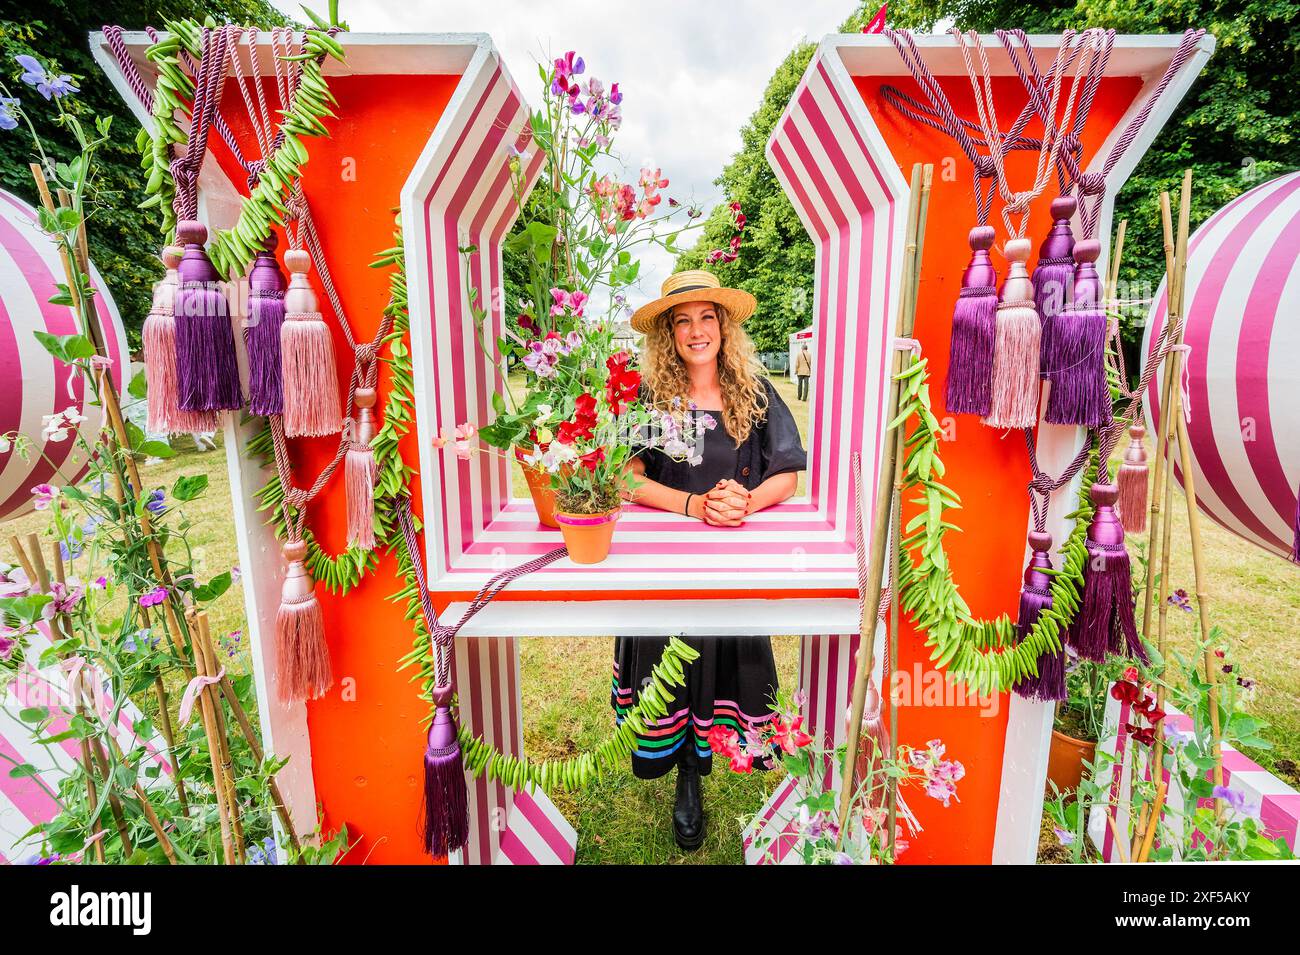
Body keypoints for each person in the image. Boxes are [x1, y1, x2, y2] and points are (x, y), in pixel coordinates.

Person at [615, 269, 806, 851]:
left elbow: (789, 476)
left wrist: (744, 500)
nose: (696, 330)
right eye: (682, 320)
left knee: (723, 655)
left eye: (706, 318)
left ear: (723, 326)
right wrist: (695, 505)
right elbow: (626, 477)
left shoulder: (755, 390)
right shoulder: (652, 398)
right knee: (669, 661)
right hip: (666, 559)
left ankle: (704, 765)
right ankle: (684, 775)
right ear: (668, 334)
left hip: (733, 556)